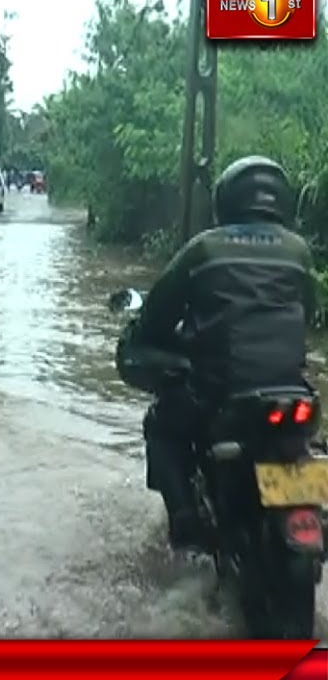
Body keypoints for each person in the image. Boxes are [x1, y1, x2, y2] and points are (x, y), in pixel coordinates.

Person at [116, 156, 317, 549]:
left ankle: (186, 523)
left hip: (218, 394)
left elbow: (156, 319)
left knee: (161, 426)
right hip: (291, 394)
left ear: (226, 201)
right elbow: (305, 316)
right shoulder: (299, 252)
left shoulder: (204, 249)